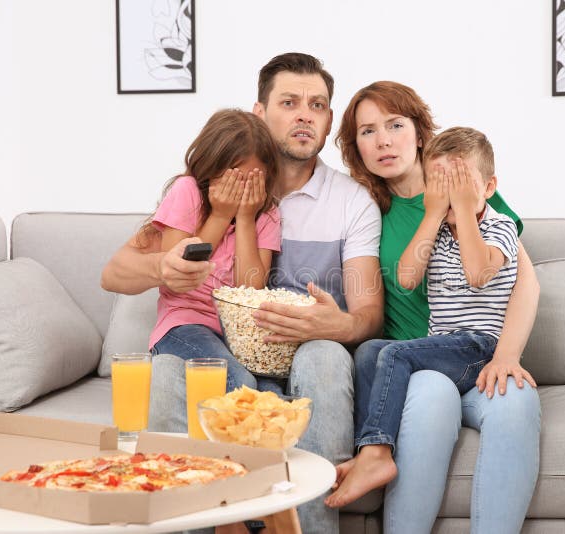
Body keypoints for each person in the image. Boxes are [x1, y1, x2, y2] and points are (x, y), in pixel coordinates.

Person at [101, 53, 383, 534]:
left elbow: (363, 309)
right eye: (289, 102)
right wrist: (202, 231)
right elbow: (128, 268)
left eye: (316, 105)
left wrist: (341, 324)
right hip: (203, 335)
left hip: (286, 349)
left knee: (321, 358)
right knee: (176, 369)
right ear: (260, 113)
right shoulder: (197, 190)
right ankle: (211, 514)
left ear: (329, 119)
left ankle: (299, 518)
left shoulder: (346, 203)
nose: (303, 115)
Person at [332, 81, 541, 534]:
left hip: (481, 351)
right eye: (367, 132)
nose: (384, 141)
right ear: (356, 148)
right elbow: (398, 282)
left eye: (395, 125)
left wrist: (507, 356)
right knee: (427, 395)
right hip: (419, 363)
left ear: (420, 133)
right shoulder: (364, 211)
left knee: (517, 401)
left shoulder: (471, 191)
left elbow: (524, 283)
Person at [144, 108, 282, 392]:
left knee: (273, 391)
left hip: (239, 333)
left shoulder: (266, 215)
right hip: (184, 324)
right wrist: (220, 216)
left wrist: (245, 218)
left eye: (251, 182)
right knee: (237, 382)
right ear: (212, 168)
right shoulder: (187, 191)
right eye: (233, 180)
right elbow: (176, 271)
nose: (241, 191)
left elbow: (250, 290)